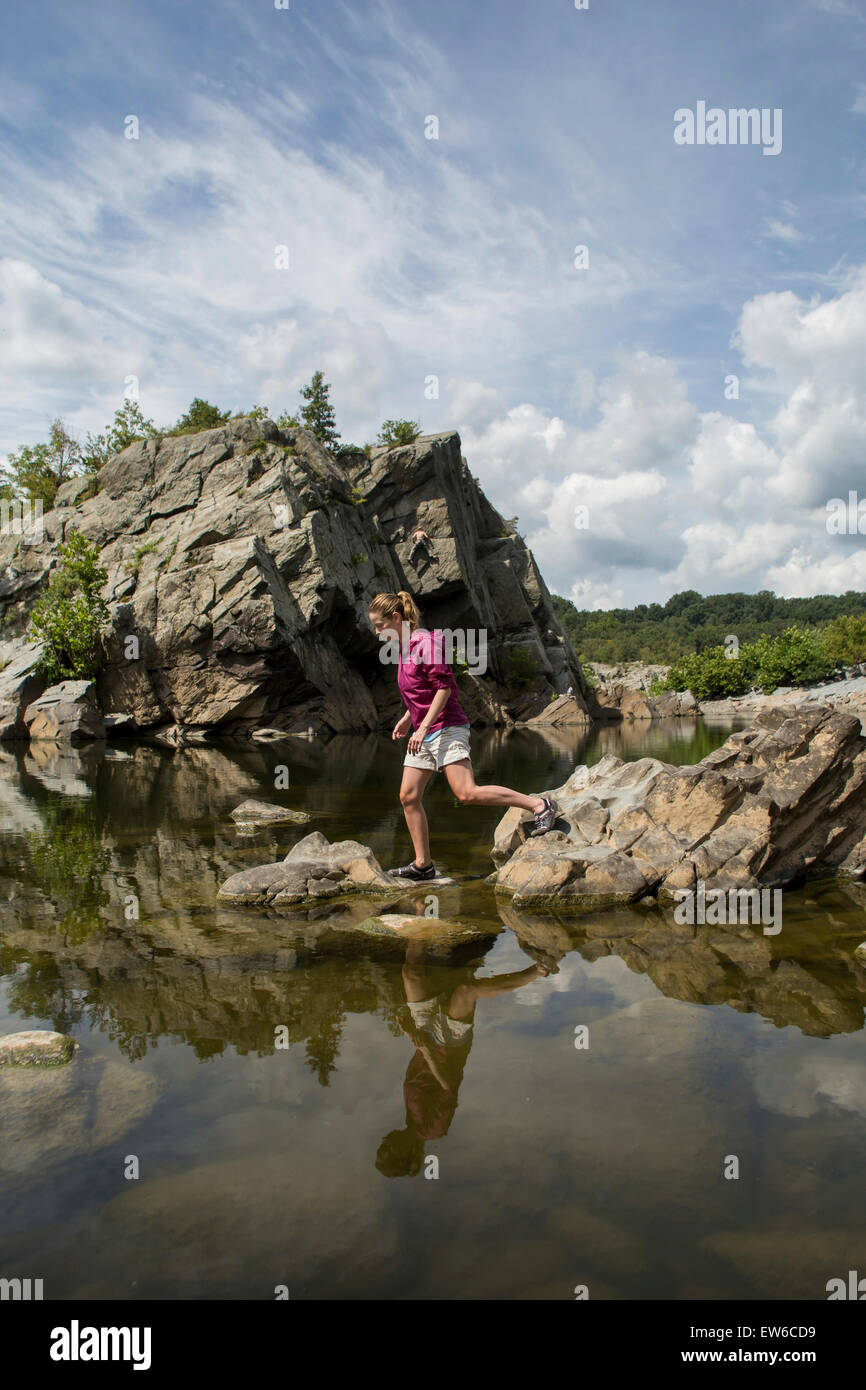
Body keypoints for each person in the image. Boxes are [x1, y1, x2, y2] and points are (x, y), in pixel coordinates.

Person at [368, 589, 557, 880]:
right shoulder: (405, 651)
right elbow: (421, 694)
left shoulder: (426, 643)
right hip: (424, 731)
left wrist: (424, 727)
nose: (377, 631)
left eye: (379, 625)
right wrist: (407, 719)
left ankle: (539, 805)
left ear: (396, 618)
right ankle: (423, 865)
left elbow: (444, 689)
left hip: (446, 727)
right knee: (408, 796)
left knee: (466, 793)